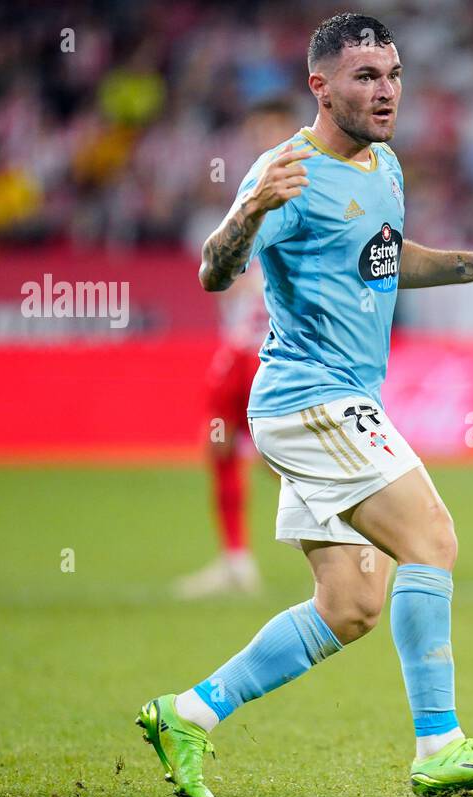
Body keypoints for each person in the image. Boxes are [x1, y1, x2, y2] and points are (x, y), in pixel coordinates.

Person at [136, 12, 473, 797]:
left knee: (351, 605)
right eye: (366, 77)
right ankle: (441, 745)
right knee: (431, 537)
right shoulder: (288, 172)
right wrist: (250, 212)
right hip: (309, 398)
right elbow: (213, 274)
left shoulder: (384, 164)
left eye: (392, 75)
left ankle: (187, 713)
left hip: (339, 400)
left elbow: (387, 258)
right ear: (320, 86)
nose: (386, 90)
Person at [173, 98, 301, 599]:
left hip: (270, 350)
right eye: (255, 129)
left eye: (268, 127)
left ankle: (344, 521)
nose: (259, 138)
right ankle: (236, 559)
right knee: (221, 446)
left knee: (279, 454)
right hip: (235, 349)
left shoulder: (303, 183)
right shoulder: (253, 186)